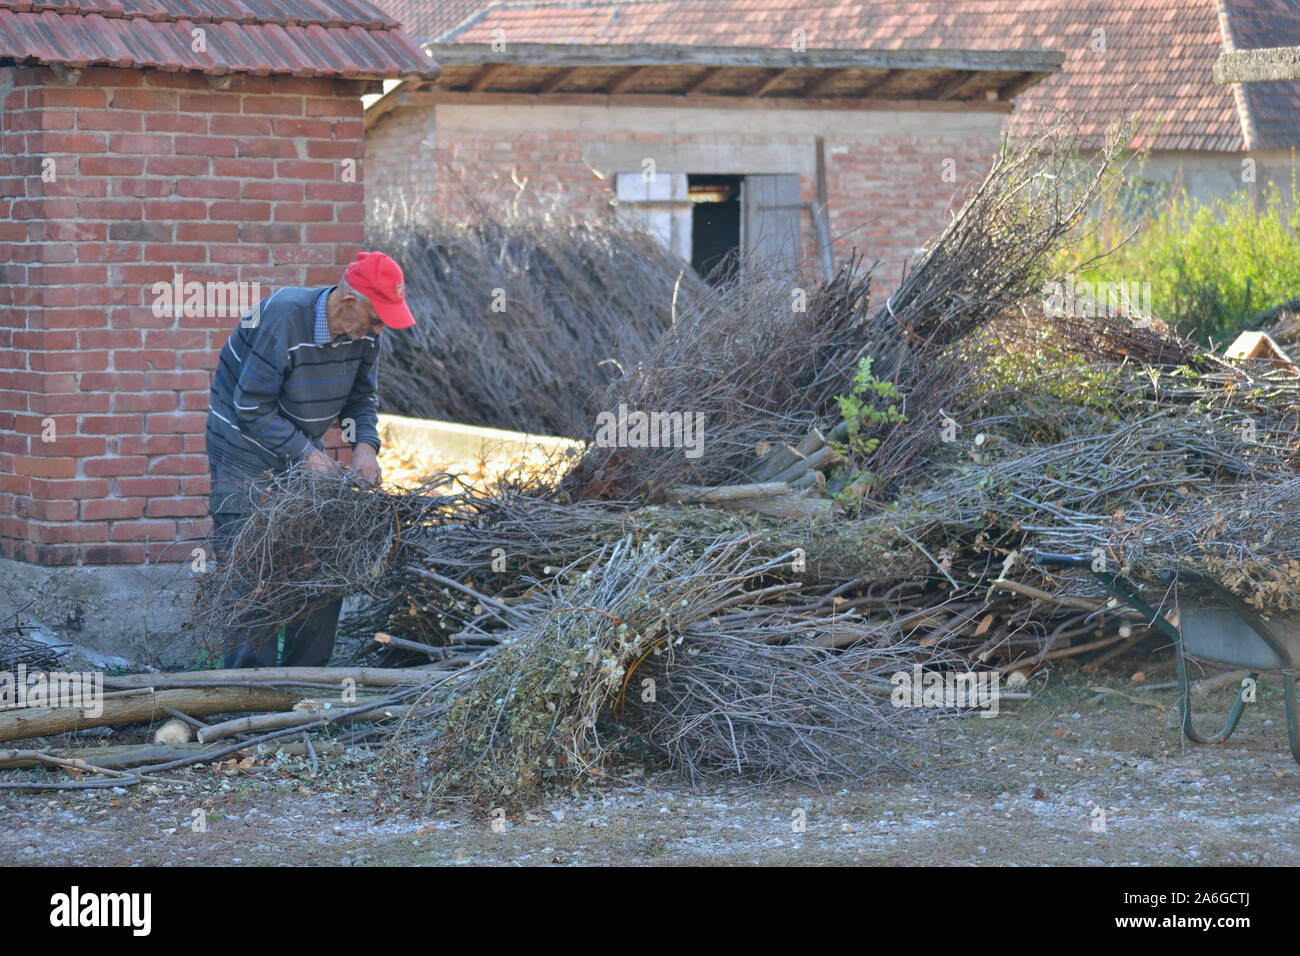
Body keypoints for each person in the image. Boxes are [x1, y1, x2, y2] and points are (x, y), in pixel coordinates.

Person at [204, 251, 416, 668]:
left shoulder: (365, 333)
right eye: (377, 318)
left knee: (324, 559)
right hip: (242, 449)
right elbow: (251, 408)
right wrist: (308, 456)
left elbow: (362, 398)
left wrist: (365, 446)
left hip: (298, 449)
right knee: (253, 566)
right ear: (349, 302)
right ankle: (244, 692)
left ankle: (303, 684)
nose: (380, 328)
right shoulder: (283, 318)